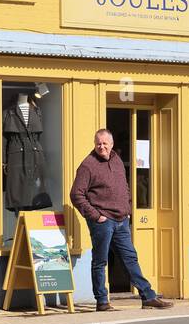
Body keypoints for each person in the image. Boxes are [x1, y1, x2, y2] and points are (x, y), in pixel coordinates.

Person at [70, 128, 172, 311]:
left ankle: (148, 296)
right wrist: (95, 216)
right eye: (98, 144)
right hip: (103, 221)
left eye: (104, 144)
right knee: (100, 261)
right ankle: (102, 301)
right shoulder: (87, 165)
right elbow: (76, 195)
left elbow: (124, 186)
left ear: (112, 144)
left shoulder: (116, 160)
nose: (101, 147)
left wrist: (128, 208)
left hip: (121, 219)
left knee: (130, 258)